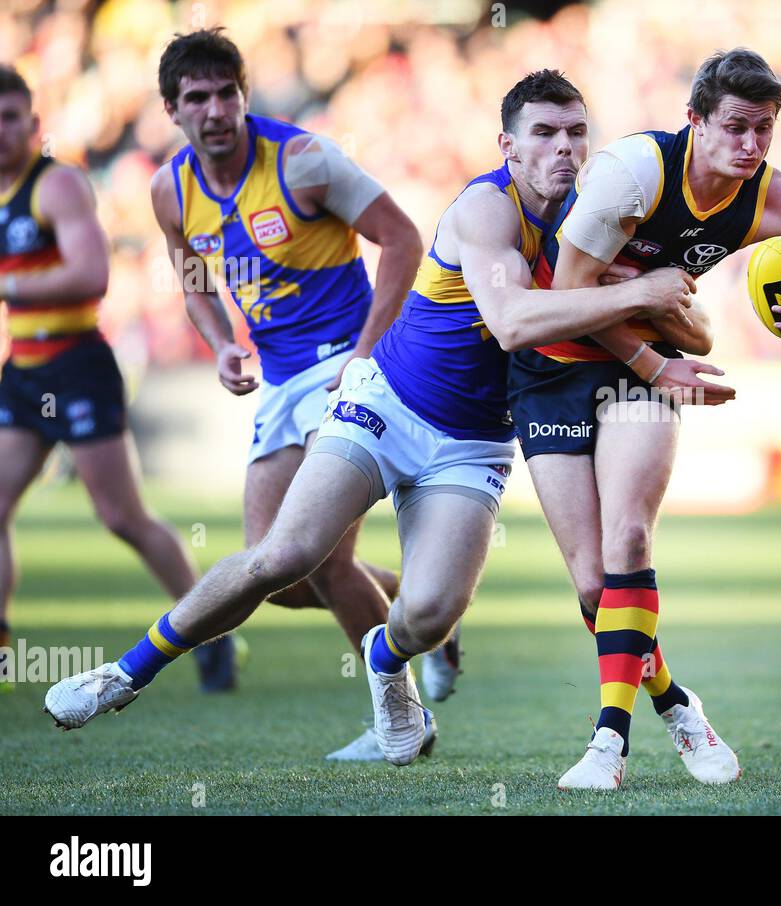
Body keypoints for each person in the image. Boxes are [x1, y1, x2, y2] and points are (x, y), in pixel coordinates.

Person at [43, 70, 697, 770]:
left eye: (575, 133)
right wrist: (645, 300)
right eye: (544, 133)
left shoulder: (599, 225)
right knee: (285, 558)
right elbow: (509, 322)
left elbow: (692, 327)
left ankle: (386, 665)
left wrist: (663, 312)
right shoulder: (486, 208)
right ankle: (124, 674)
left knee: (428, 614)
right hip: (386, 402)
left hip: (473, 442)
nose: (563, 148)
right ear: (507, 145)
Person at [509, 48, 781, 790]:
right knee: (596, 589)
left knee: (630, 533)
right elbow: (570, 288)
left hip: (648, 360)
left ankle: (608, 744)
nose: (751, 146)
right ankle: (677, 704)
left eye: (764, 130)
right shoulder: (633, 173)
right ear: (693, 120)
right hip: (555, 363)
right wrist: (663, 354)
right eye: (735, 127)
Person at [148, 29, 424, 740]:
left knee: (328, 564)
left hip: (346, 365)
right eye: (196, 98)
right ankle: (427, 607)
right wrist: (218, 344)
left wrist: (363, 357)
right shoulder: (170, 190)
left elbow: (402, 239)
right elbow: (192, 281)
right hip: (278, 382)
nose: (215, 110)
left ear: (244, 96)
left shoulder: (303, 162)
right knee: (277, 580)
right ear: (172, 111)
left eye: (226, 93)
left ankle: (400, 718)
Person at [0, 66, 203, 690]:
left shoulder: (55, 184)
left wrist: (8, 286)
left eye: (11, 118)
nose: (1, 132)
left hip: (77, 366)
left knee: (121, 516)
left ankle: (209, 628)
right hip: (24, 368)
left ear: (34, 125)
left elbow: (92, 275)